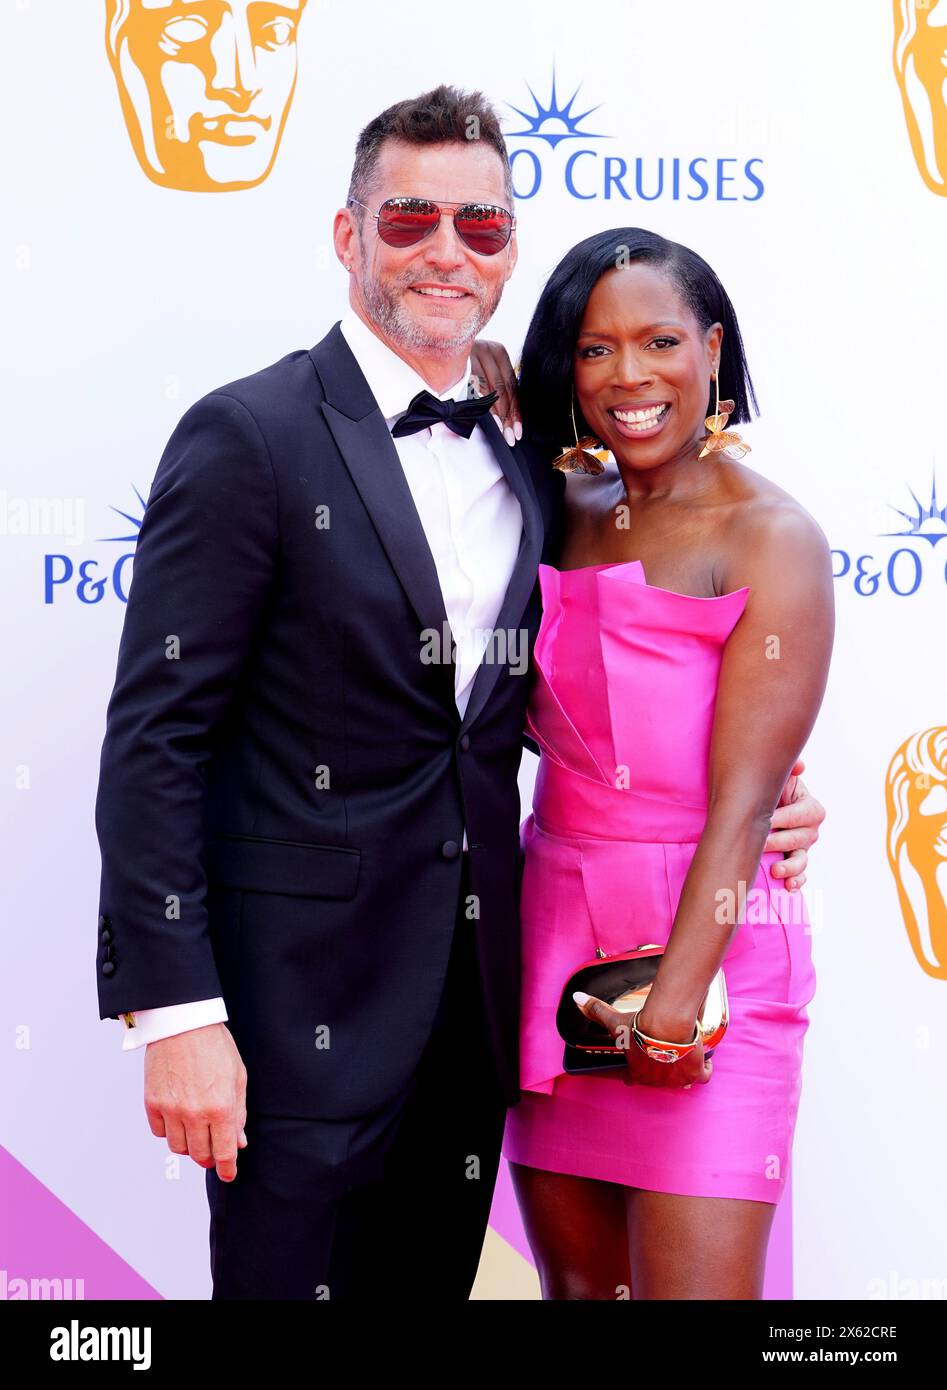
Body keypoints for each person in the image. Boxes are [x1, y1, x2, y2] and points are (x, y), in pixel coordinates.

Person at [93, 85, 825, 1300]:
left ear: (506, 252)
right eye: (409, 219)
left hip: (486, 1016)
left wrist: (772, 805)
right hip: (294, 1019)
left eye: (480, 227)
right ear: (347, 236)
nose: (446, 250)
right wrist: (175, 1012)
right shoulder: (250, 435)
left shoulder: (532, 467)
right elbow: (156, 737)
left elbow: (634, 693)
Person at [486, 228, 834, 1299]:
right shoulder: (551, 509)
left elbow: (741, 803)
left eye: (658, 342)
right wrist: (492, 397)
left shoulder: (769, 534)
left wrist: (673, 1007)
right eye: (592, 352)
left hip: (710, 965)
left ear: (712, 350)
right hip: (554, 947)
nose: (627, 377)